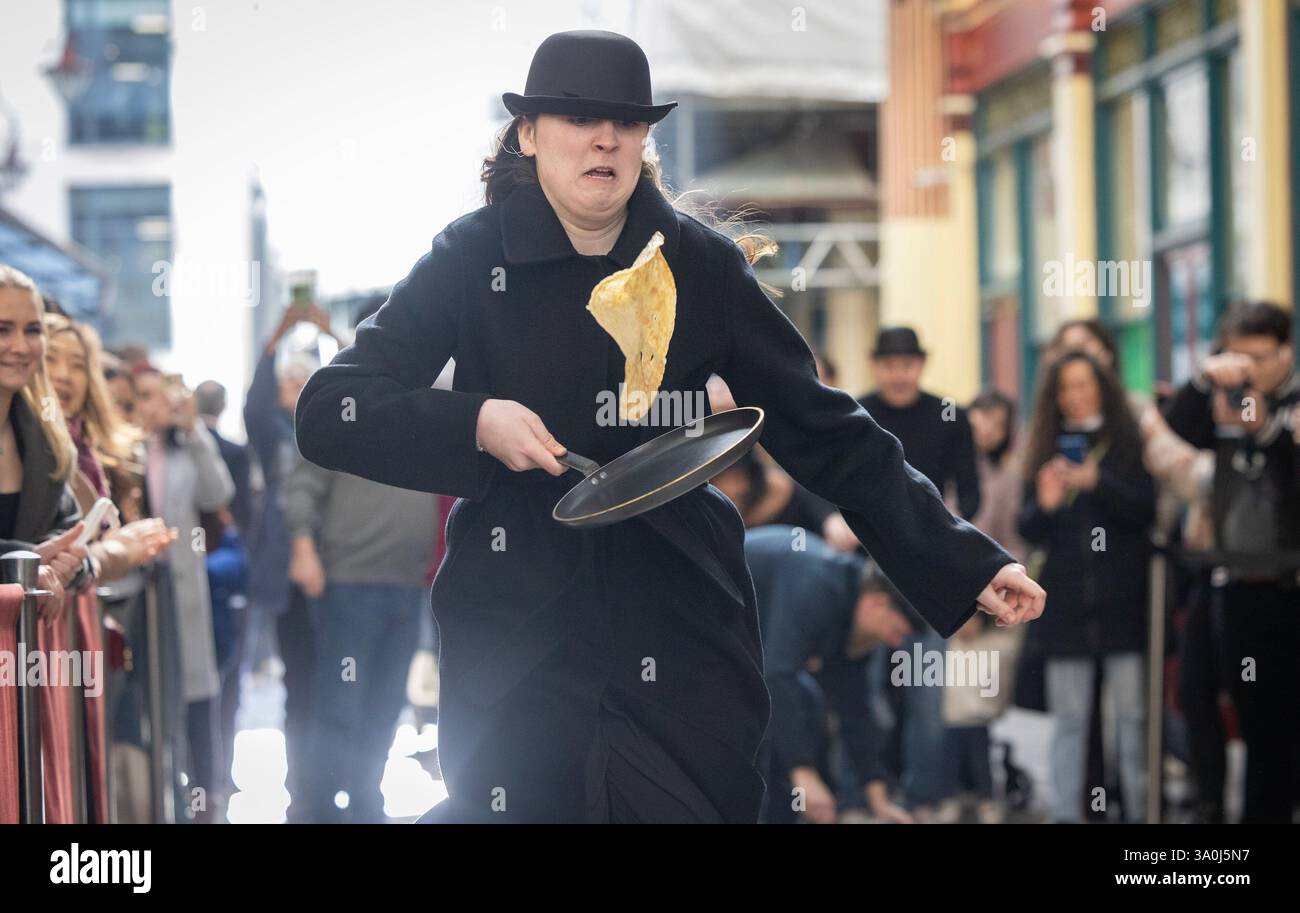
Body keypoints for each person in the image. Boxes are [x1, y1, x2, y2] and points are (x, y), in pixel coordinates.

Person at [294, 30, 1044, 824]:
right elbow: (333, 408)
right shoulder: (470, 257)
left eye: (626, 121)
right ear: (529, 133)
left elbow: (826, 428)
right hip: (520, 617)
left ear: (646, 137)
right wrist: (475, 420)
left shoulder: (701, 264)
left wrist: (963, 559)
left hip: (679, 611)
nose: (605, 138)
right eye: (578, 119)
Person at [1162, 300, 1300, 823]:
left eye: (1258, 359)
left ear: (1285, 351)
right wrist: (1203, 379)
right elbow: (1178, 429)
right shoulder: (1229, 397)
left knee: (1279, 727)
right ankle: (1216, 809)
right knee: (1216, 703)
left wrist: (1266, 429)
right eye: (1235, 357)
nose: (1247, 371)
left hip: (1287, 581)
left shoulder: (1291, 403)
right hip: (1231, 580)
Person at [1019, 351, 1155, 823]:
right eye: (1065, 388)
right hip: (1066, 609)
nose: (1075, 396)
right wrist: (1048, 503)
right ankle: (1066, 816)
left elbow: (1147, 512)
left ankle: (1141, 814)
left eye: (1084, 385)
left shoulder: (1126, 440)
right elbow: (1028, 528)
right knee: (1070, 724)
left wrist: (1100, 483)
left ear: (1102, 386)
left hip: (1123, 604)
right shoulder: (1041, 445)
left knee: (1134, 722)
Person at [745, 526, 912, 824]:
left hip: (740, 646)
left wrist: (879, 799)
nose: (896, 643)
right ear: (878, 604)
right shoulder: (819, 582)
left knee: (806, 704)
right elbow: (778, 674)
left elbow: (855, 707)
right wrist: (803, 773)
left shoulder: (852, 610)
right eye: (897, 631)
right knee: (779, 714)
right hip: (689, 621)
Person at [133, 365, 235, 818]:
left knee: (196, 696)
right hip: (138, 595)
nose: (159, 406)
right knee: (150, 697)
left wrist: (194, 430)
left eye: (165, 396)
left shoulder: (184, 449)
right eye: (147, 396)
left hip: (185, 590)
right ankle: (161, 797)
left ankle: (204, 797)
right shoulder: (124, 453)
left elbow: (218, 493)